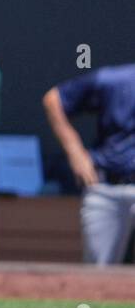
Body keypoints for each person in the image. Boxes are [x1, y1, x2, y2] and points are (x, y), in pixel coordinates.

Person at [42, 64, 135, 264]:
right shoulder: (115, 81)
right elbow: (54, 99)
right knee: (97, 274)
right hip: (108, 188)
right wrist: (76, 152)